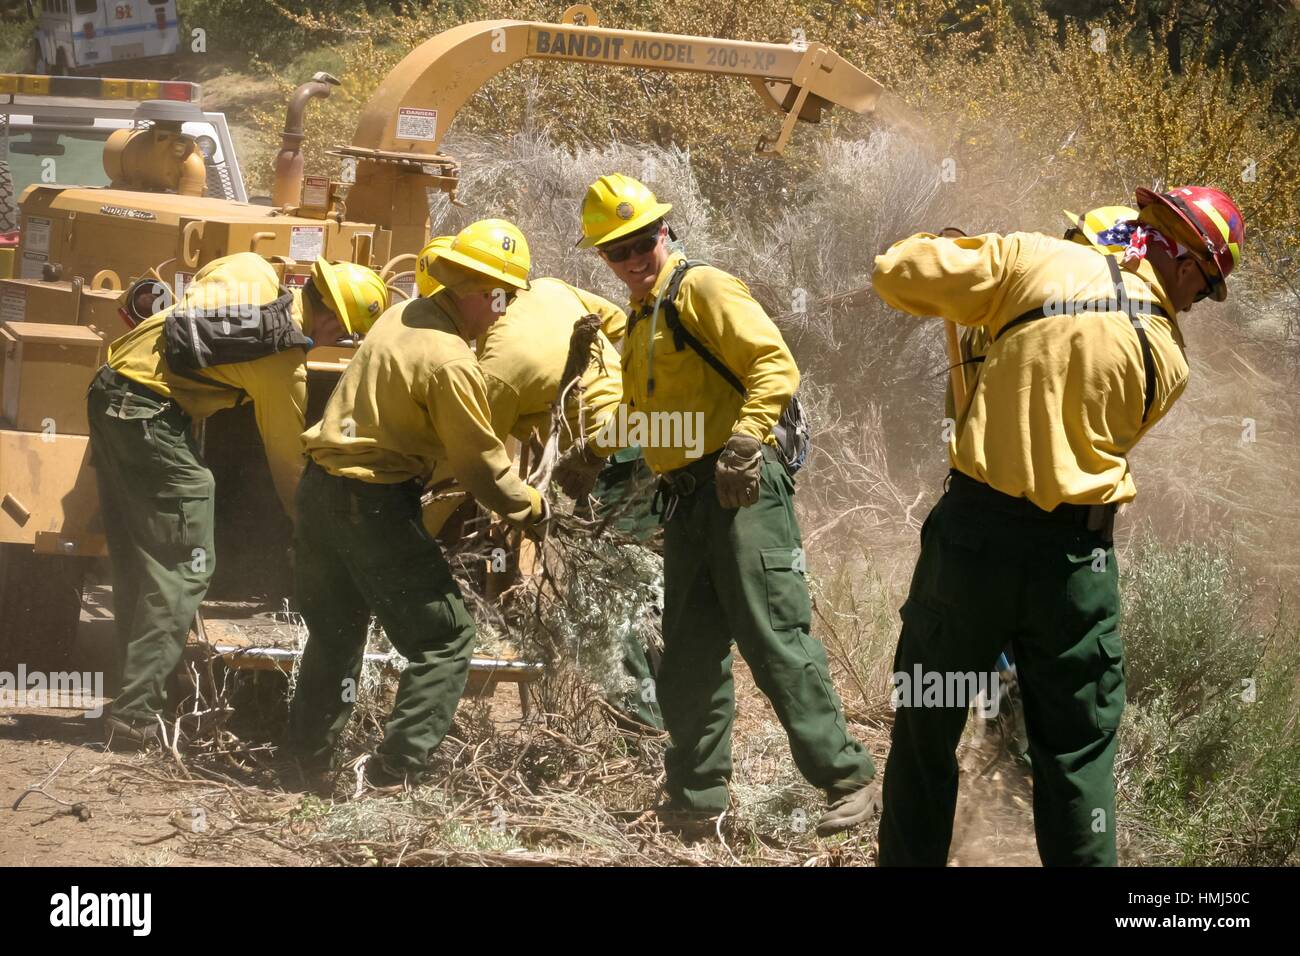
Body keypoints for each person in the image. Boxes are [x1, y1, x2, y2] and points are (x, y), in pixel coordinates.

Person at [871, 185, 1244, 865]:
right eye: (1207, 287)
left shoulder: (1030, 260)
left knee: (925, 737)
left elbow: (893, 271)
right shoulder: (1170, 358)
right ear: (1187, 263)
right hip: (1077, 566)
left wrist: (957, 254)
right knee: (1077, 763)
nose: (1198, 304)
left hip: (972, 543)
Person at [555, 174, 879, 834]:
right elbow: (654, 417)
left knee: (773, 641)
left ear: (666, 232)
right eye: (620, 251)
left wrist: (744, 443)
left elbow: (773, 364)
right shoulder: (643, 318)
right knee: (692, 654)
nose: (637, 257)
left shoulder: (700, 288)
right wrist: (594, 451)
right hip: (684, 501)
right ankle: (696, 800)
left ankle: (848, 779)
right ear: (603, 259)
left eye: (645, 240)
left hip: (741, 491)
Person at [287, 219, 549, 790]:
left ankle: (307, 763)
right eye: (501, 297)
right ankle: (396, 773)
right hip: (373, 504)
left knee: (335, 632)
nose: (504, 311)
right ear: (476, 292)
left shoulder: (399, 316)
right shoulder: (451, 359)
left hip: (321, 491)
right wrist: (534, 509)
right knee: (445, 638)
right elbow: (482, 466)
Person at [90, 252, 387, 746]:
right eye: (343, 334)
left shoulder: (253, 269)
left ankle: (141, 694)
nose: (336, 343)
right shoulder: (284, 363)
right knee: (188, 561)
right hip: (150, 413)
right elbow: (288, 464)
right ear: (332, 317)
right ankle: (136, 713)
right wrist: (311, 529)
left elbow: (204, 285)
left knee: (140, 556)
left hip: (107, 392)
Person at [417, 239, 663, 728]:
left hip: (608, 461)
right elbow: (621, 321)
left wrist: (416, 534)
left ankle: (643, 728)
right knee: (656, 580)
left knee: (617, 596)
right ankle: (678, 712)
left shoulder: (498, 371)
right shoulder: (551, 289)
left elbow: (472, 467)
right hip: (651, 435)